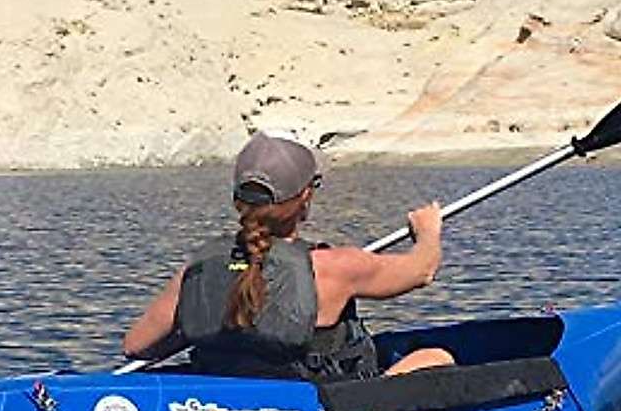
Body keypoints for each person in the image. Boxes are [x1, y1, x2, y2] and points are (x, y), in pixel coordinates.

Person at [123, 131, 454, 380]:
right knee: (435, 357)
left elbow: (137, 346)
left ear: (238, 199)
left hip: (231, 406)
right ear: (306, 197)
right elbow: (422, 270)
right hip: (318, 408)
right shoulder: (332, 267)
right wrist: (428, 231)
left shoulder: (199, 266)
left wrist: (211, 328)